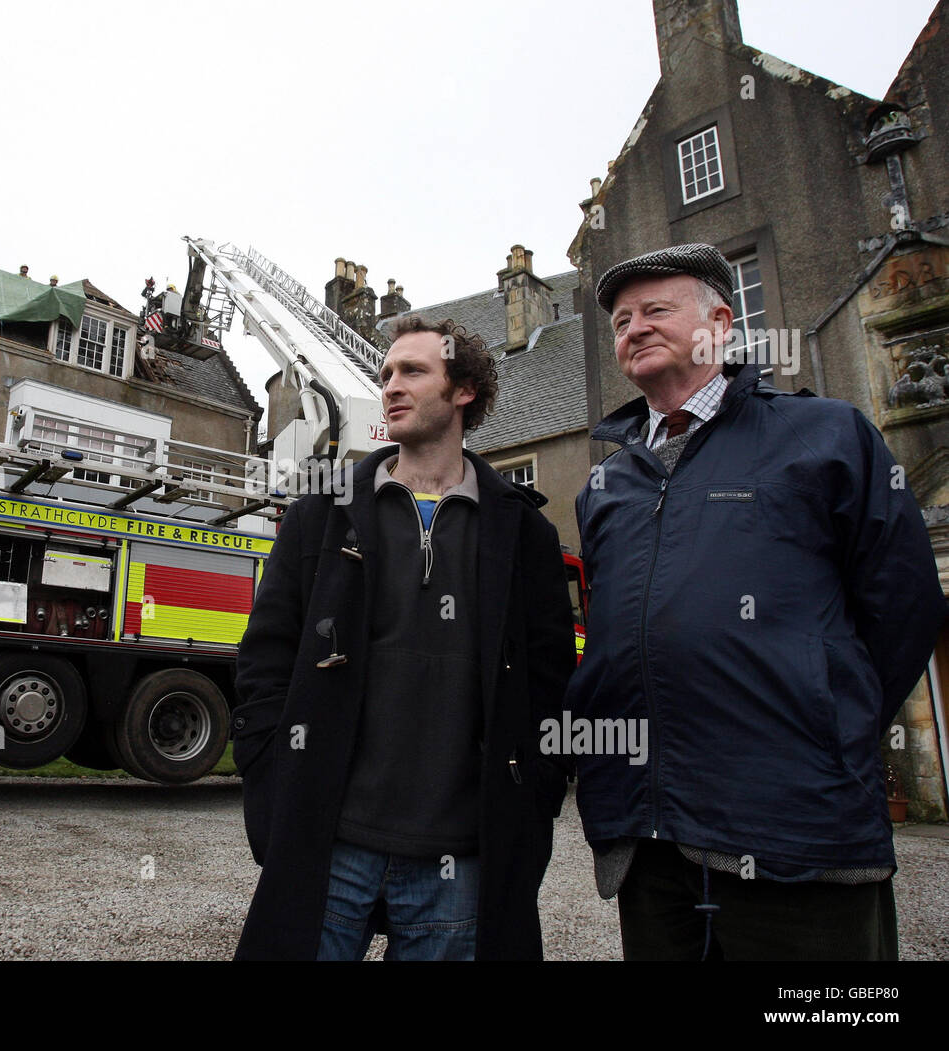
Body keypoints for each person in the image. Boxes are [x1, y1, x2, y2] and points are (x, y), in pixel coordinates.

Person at [568, 242, 945, 960]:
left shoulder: (828, 436)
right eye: (620, 320)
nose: (634, 328)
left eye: (655, 310)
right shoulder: (604, 488)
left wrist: (826, 719)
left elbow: (905, 608)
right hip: (650, 845)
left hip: (796, 834)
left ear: (720, 322)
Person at [231, 315, 576, 960]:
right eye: (386, 373)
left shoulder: (523, 534)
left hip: (460, 860)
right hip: (329, 843)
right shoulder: (322, 511)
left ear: (464, 390)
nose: (390, 385)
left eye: (413, 371)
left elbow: (550, 686)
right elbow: (266, 657)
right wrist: (271, 782)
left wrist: (535, 796)